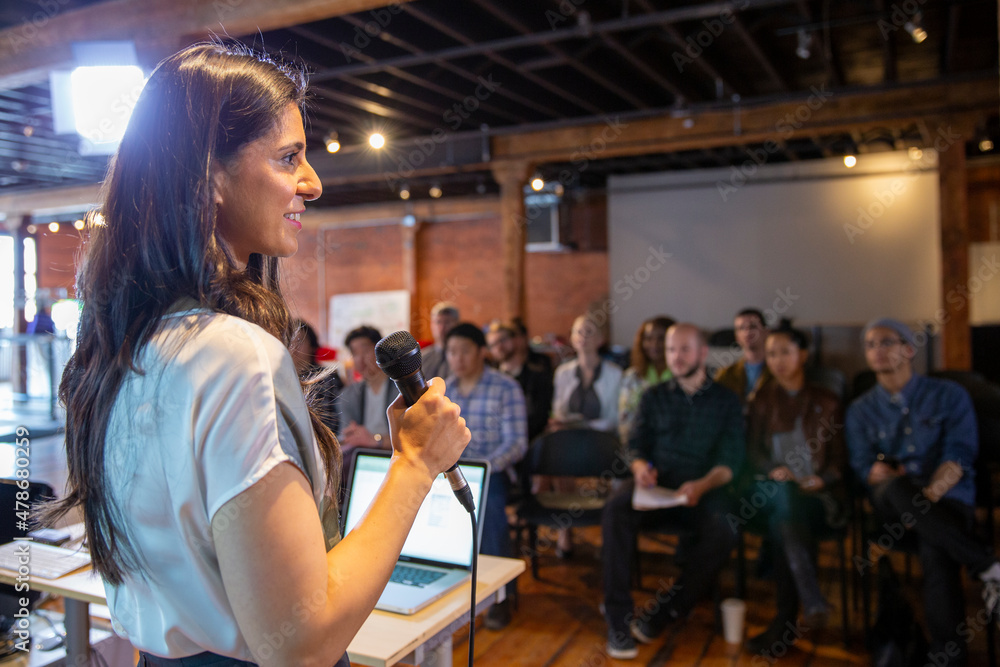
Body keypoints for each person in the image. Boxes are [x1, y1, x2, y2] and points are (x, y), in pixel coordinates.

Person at [40, 42, 471, 667]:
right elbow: (299, 642)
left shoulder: (125, 345)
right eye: (288, 157)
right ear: (208, 174)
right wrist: (414, 464)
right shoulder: (233, 355)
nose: (313, 182)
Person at [846, 318, 1000, 667]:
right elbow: (866, 467)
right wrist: (912, 506)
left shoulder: (949, 396)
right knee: (895, 485)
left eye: (886, 341)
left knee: (936, 549)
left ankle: (948, 657)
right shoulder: (860, 410)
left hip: (947, 499)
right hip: (893, 505)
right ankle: (988, 566)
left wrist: (921, 507)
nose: (877, 350)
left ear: (909, 349)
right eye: (870, 344)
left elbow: (958, 458)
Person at [602, 323, 744, 660]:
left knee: (727, 528)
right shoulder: (654, 396)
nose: (675, 357)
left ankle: (666, 611)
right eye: (670, 350)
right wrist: (639, 467)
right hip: (657, 485)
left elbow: (732, 461)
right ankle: (618, 621)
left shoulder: (726, 400)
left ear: (702, 353)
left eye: (683, 349)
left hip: (703, 488)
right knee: (615, 510)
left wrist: (703, 485)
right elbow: (634, 446)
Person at [743, 326, 847, 655]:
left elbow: (841, 461)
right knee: (783, 500)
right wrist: (770, 470)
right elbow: (752, 453)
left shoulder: (827, 401)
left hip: (817, 498)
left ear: (802, 355)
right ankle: (810, 597)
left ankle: (785, 622)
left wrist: (824, 479)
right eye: (771, 354)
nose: (778, 361)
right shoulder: (761, 399)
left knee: (784, 519)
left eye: (785, 352)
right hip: (774, 492)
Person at [443, 322, 528, 630]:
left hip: (495, 471)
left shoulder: (505, 387)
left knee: (488, 509)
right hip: (452, 471)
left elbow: (516, 443)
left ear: (482, 352)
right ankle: (447, 590)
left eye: (464, 351)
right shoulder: (444, 391)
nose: (458, 358)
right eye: (452, 352)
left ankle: (501, 597)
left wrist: (485, 469)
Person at [550, 313, 624, 557]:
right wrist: (564, 421)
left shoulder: (615, 373)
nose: (583, 337)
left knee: (610, 460)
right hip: (571, 437)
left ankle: (609, 532)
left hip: (603, 438)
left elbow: (614, 418)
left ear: (601, 339)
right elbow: (559, 409)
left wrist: (586, 424)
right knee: (557, 455)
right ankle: (565, 531)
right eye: (579, 331)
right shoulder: (563, 372)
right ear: (572, 337)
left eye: (589, 331)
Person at [486, 319, 553, 444]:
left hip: (531, 443)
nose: (499, 347)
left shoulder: (537, 377)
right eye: (493, 344)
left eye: (503, 340)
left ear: (515, 340)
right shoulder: (488, 380)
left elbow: (540, 416)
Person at [337, 325, 399, 453]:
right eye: (355, 353)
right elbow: (346, 436)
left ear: (381, 351)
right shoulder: (348, 394)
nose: (360, 359)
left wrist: (375, 440)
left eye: (365, 351)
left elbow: (412, 436)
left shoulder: (400, 388)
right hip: (361, 456)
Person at [617, 315, 675, 445]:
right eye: (648, 338)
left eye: (661, 338)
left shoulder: (682, 377)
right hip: (639, 448)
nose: (654, 344)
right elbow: (625, 420)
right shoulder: (631, 377)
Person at [290, 318, 344, 435]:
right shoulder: (282, 378)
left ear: (312, 345)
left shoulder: (327, 377)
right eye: (289, 340)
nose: (294, 346)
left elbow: (333, 421)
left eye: (299, 340)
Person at [715, 308, 772, 403]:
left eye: (753, 327)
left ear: (766, 332)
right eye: (741, 328)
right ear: (737, 336)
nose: (747, 332)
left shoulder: (779, 371)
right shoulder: (726, 375)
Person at [421, 301, 459, 380]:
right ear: (431, 325)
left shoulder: (463, 359)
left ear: (457, 324)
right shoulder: (422, 358)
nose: (442, 328)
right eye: (438, 322)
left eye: (447, 322)